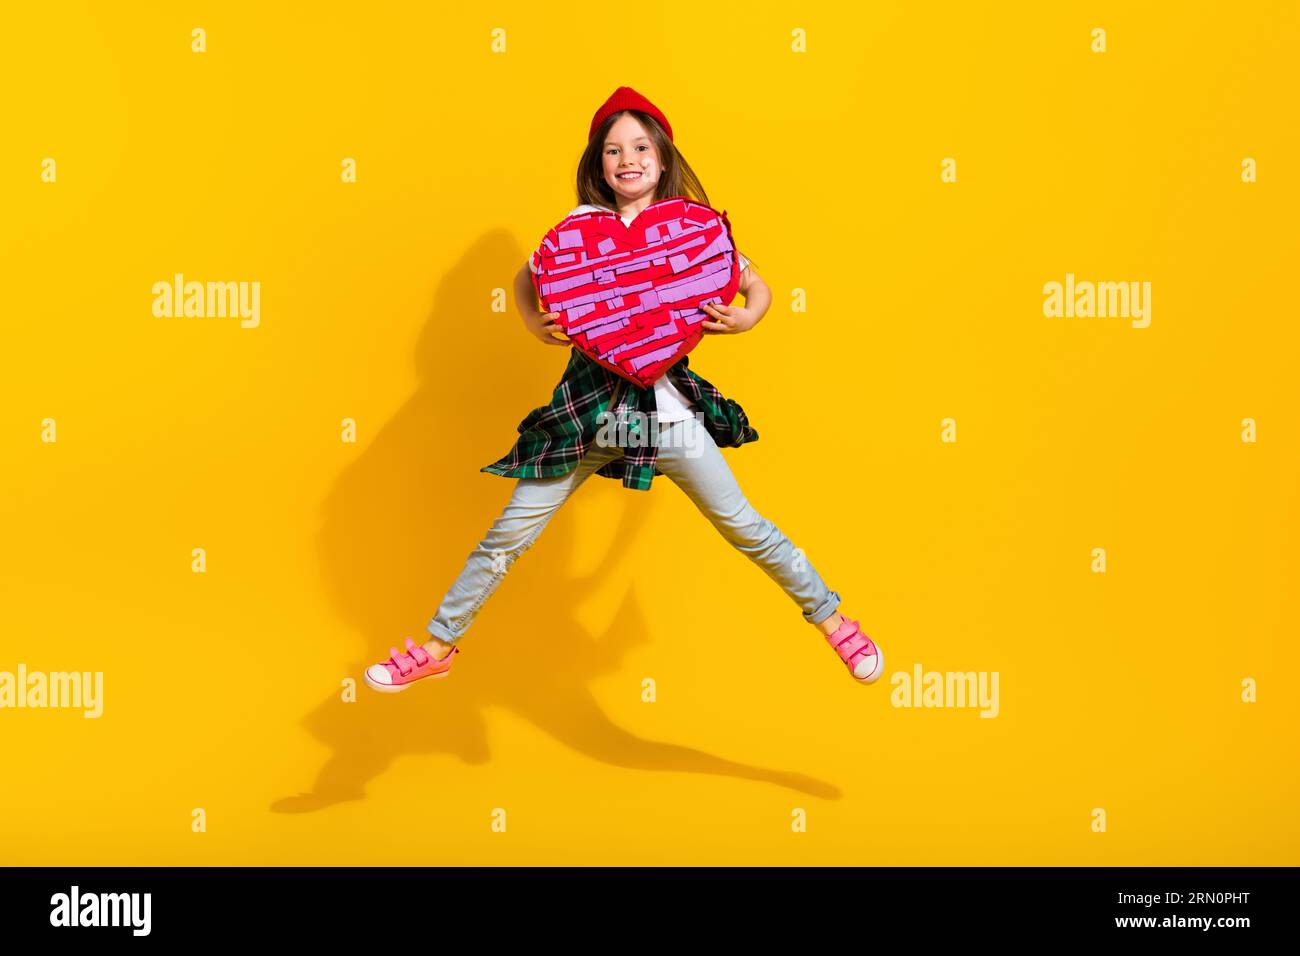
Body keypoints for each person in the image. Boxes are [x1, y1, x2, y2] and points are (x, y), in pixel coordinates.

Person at [364, 86, 883, 692]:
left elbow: (754, 285)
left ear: (663, 158)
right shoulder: (577, 234)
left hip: (667, 420)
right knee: (506, 535)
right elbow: (526, 279)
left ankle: (834, 620)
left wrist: (749, 316)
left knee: (745, 525)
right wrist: (534, 322)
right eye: (612, 150)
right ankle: (436, 647)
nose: (627, 159)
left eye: (640, 147)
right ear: (597, 164)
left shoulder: (692, 231)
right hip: (590, 416)